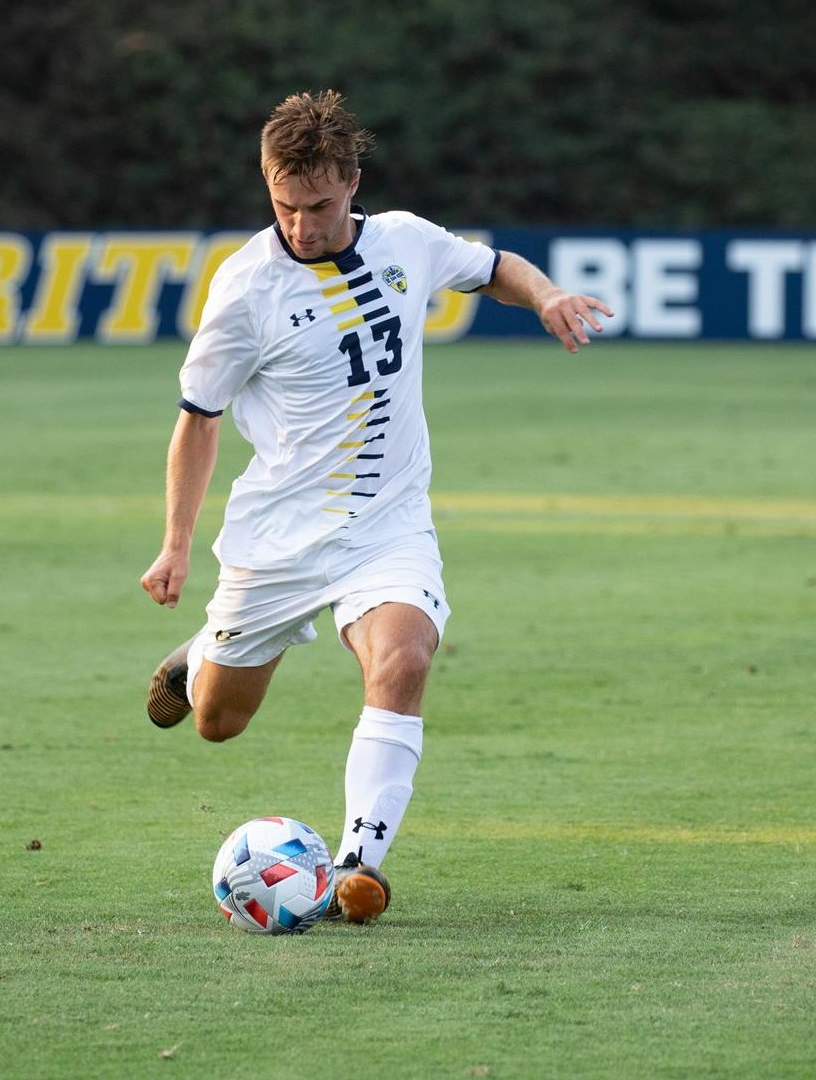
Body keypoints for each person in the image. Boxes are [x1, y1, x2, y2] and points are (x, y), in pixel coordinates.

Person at [139, 90, 614, 921]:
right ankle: (197, 655)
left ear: (353, 184)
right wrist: (176, 543)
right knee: (216, 722)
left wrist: (543, 297)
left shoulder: (405, 241)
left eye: (318, 206)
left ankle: (359, 865)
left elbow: (493, 266)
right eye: (284, 206)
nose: (301, 225)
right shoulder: (244, 289)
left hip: (386, 524)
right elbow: (197, 422)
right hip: (277, 537)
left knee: (404, 661)